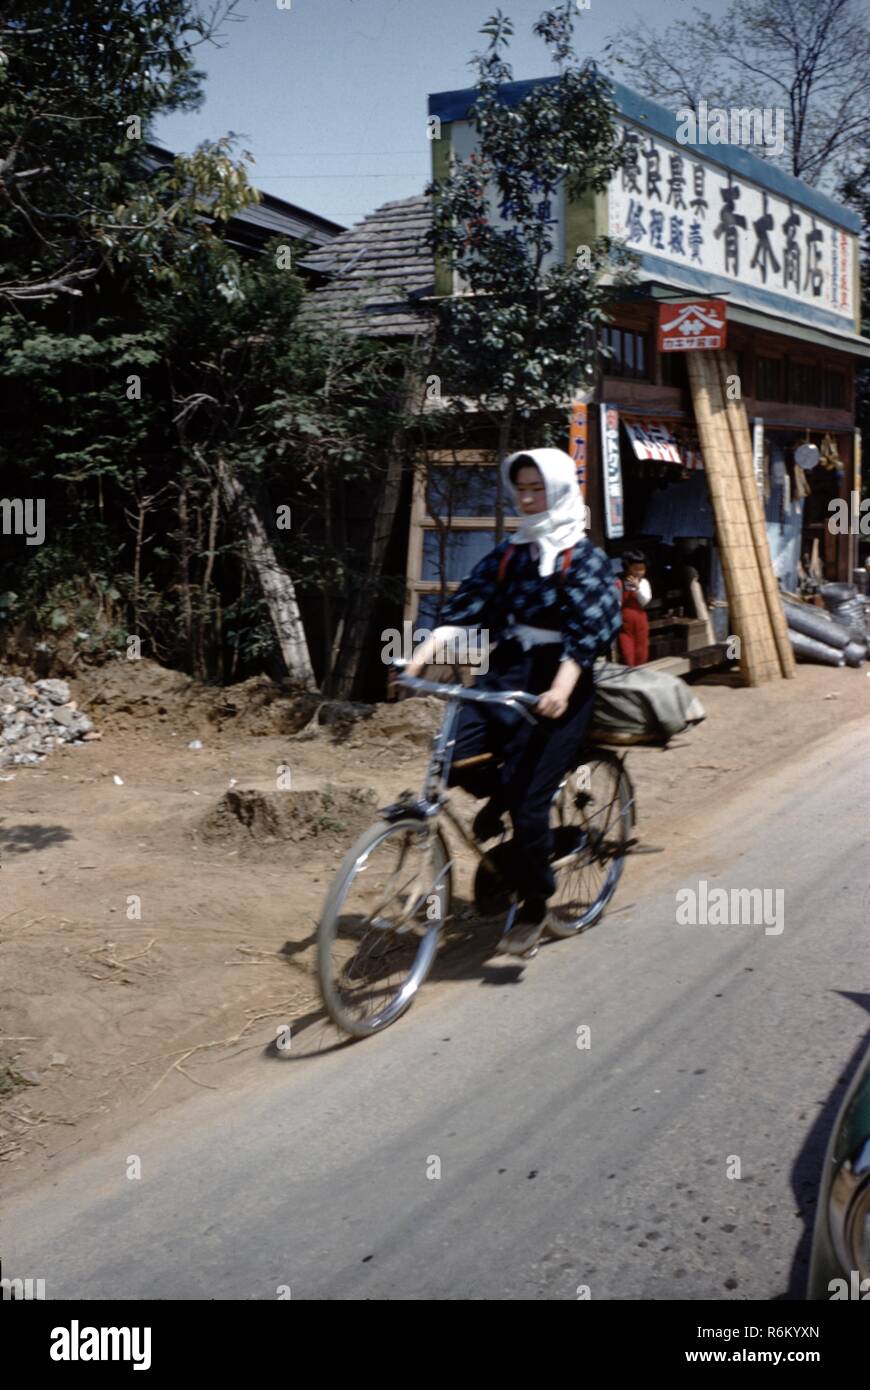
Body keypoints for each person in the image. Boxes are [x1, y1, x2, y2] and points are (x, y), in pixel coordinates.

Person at [404, 448, 621, 957]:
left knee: (529, 808)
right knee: (454, 756)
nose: (527, 498)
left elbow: (586, 637)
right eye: (521, 489)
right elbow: (464, 609)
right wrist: (418, 661)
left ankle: (534, 903)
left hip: (562, 679)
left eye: (537, 489)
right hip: (508, 670)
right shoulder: (510, 554)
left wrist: (562, 691)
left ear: (560, 490)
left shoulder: (582, 557)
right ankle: (505, 799)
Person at [617, 548, 651, 667]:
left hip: (640, 620)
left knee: (641, 651)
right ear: (628, 567)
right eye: (636, 569)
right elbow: (617, 602)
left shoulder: (644, 583)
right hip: (625, 622)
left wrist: (638, 588)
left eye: (642, 569)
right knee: (627, 653)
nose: (639, 572)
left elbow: (645, 601)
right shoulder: (620, 582)